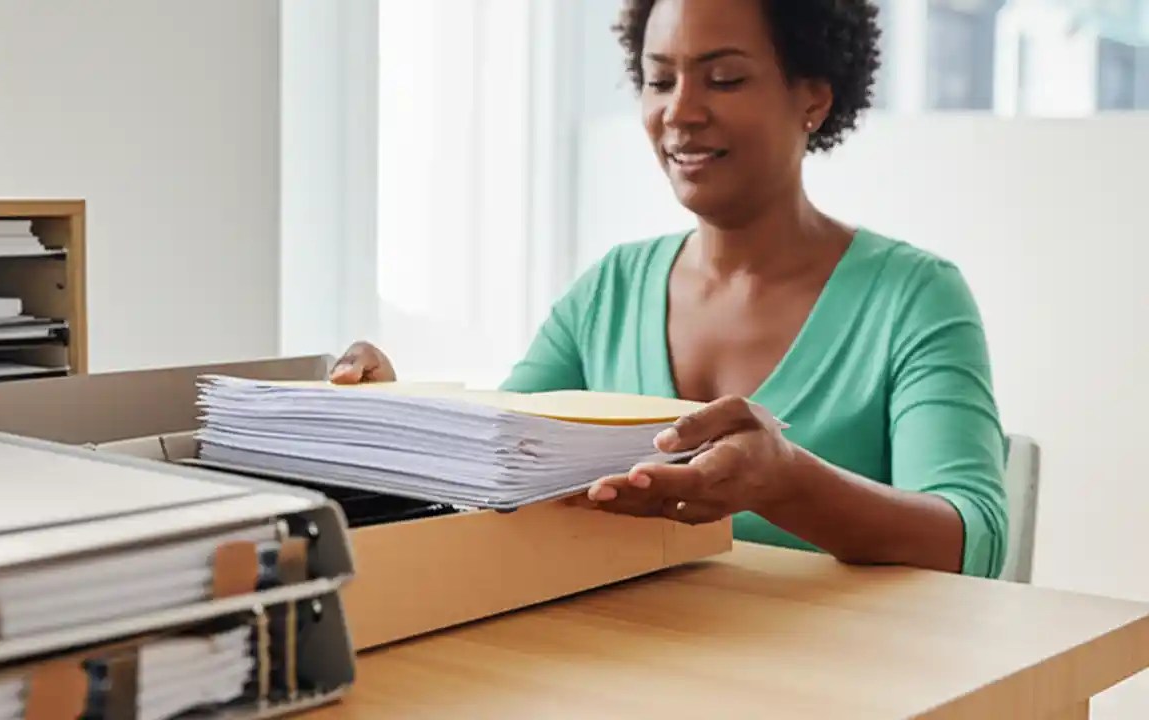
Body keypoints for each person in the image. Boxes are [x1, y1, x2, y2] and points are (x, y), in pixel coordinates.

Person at [331, 0, 1008, 578]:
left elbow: (970, 540)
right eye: (659, 81)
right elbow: (503, 460)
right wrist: (395, 417)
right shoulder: (611, 291)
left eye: (725, 78)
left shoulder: (913, 298)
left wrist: (787, 483)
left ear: (814, 97)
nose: (679, 112)